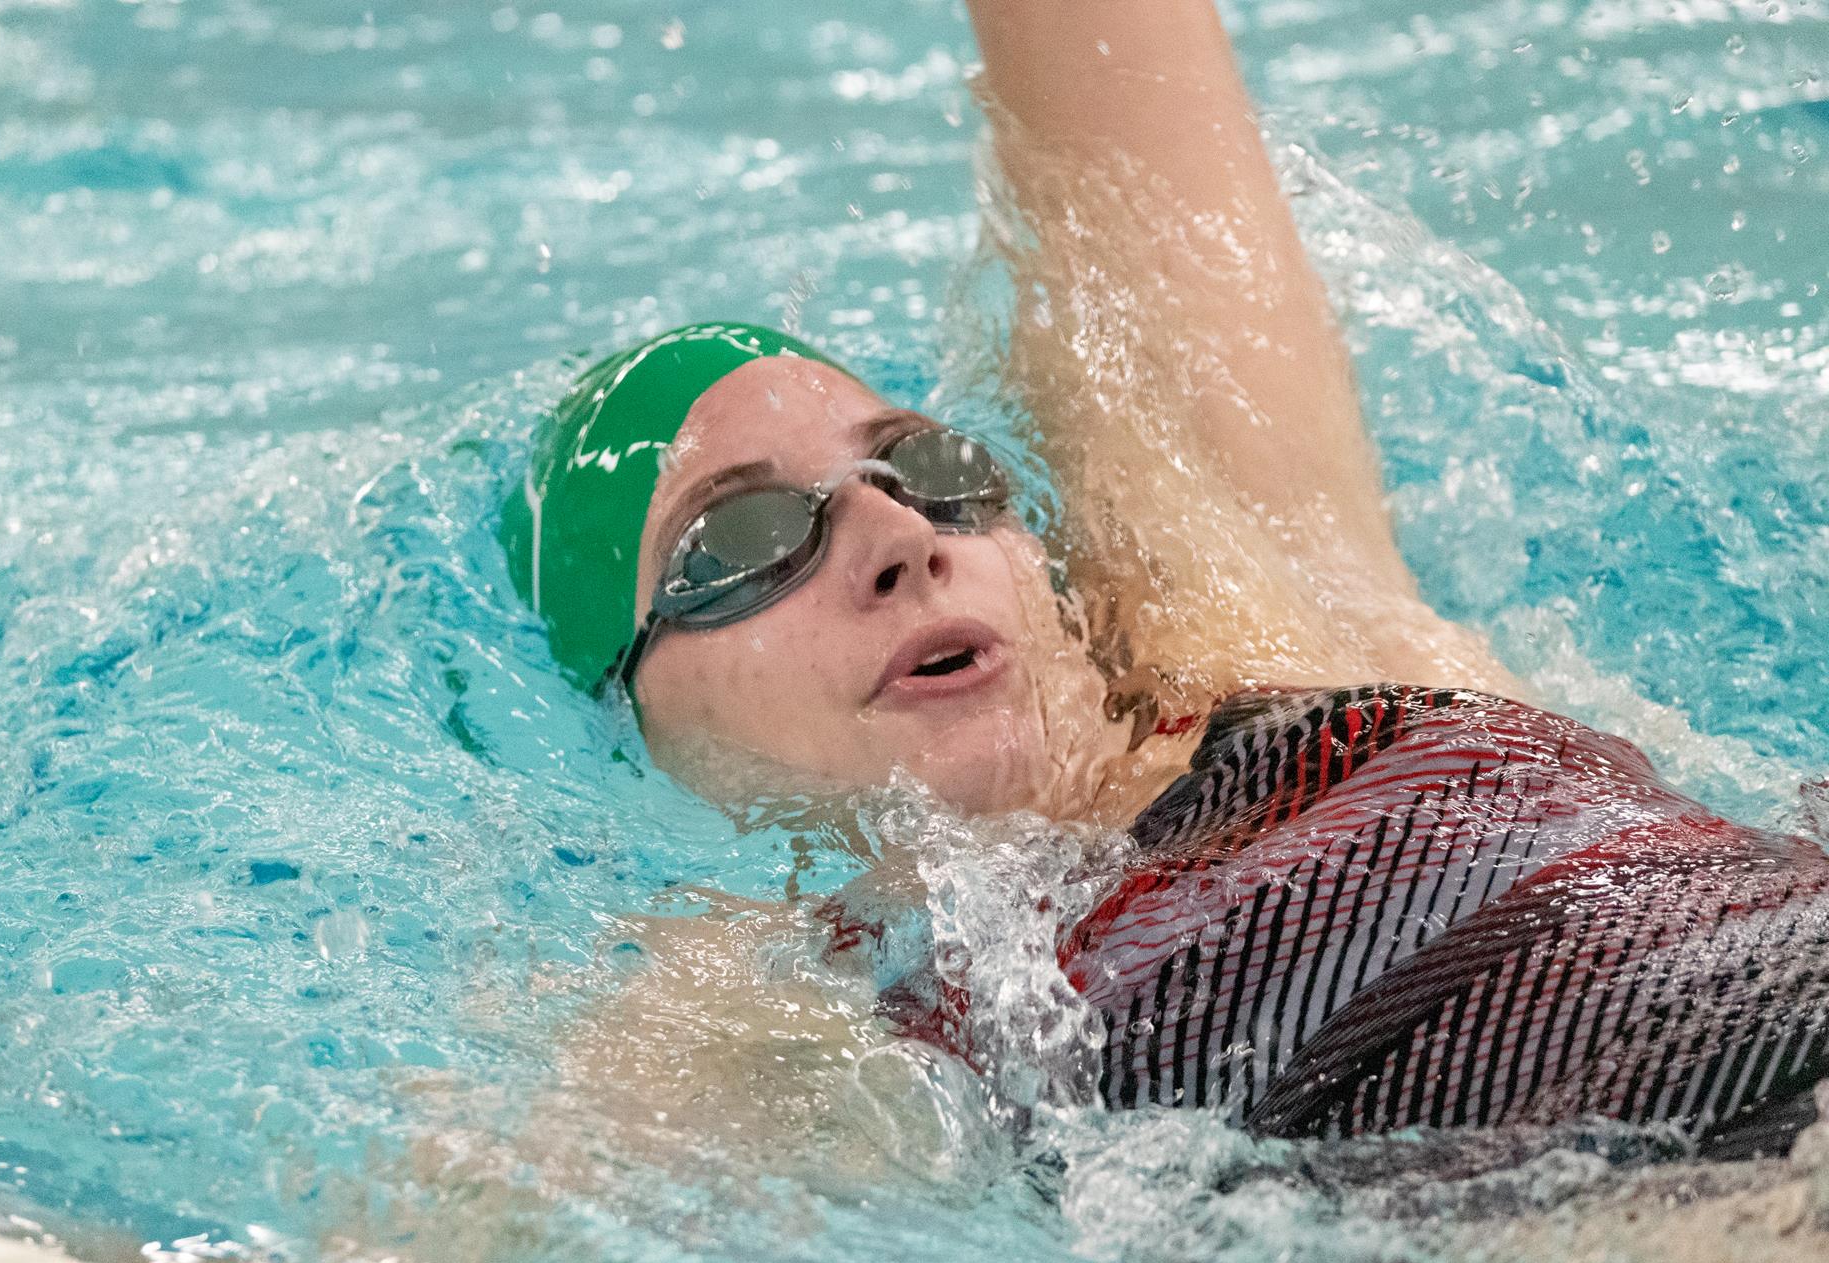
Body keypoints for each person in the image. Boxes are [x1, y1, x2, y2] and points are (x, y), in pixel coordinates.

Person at [492, 0, 1829, 1174]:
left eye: (931, 465)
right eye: (744, 543)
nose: (898, 533)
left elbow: (1109, 70)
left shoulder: (1287, 645)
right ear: (634, 728)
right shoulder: (753, 1018)